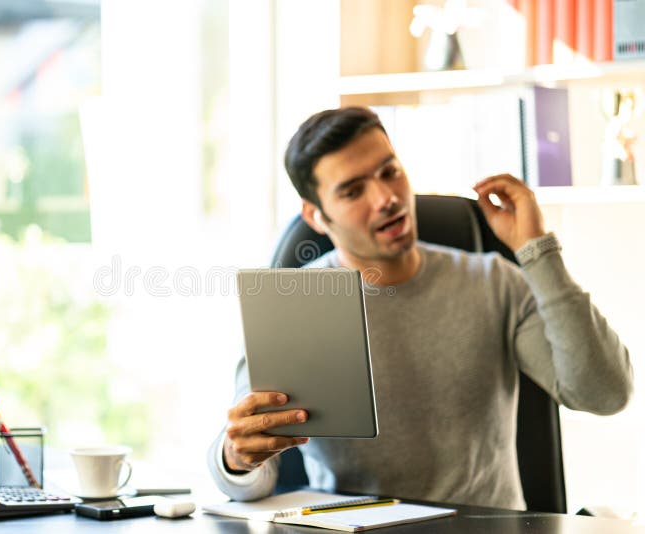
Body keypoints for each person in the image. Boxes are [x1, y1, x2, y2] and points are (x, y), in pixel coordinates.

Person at [207, 106, 633, 510]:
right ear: (317, 216)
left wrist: (537, 251)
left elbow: (605, 394)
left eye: (389, 172)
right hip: (355, 529)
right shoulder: (295, 307)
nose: (386, 198)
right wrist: (236, 458)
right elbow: (249, 476)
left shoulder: (494, 282)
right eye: (353, 190)